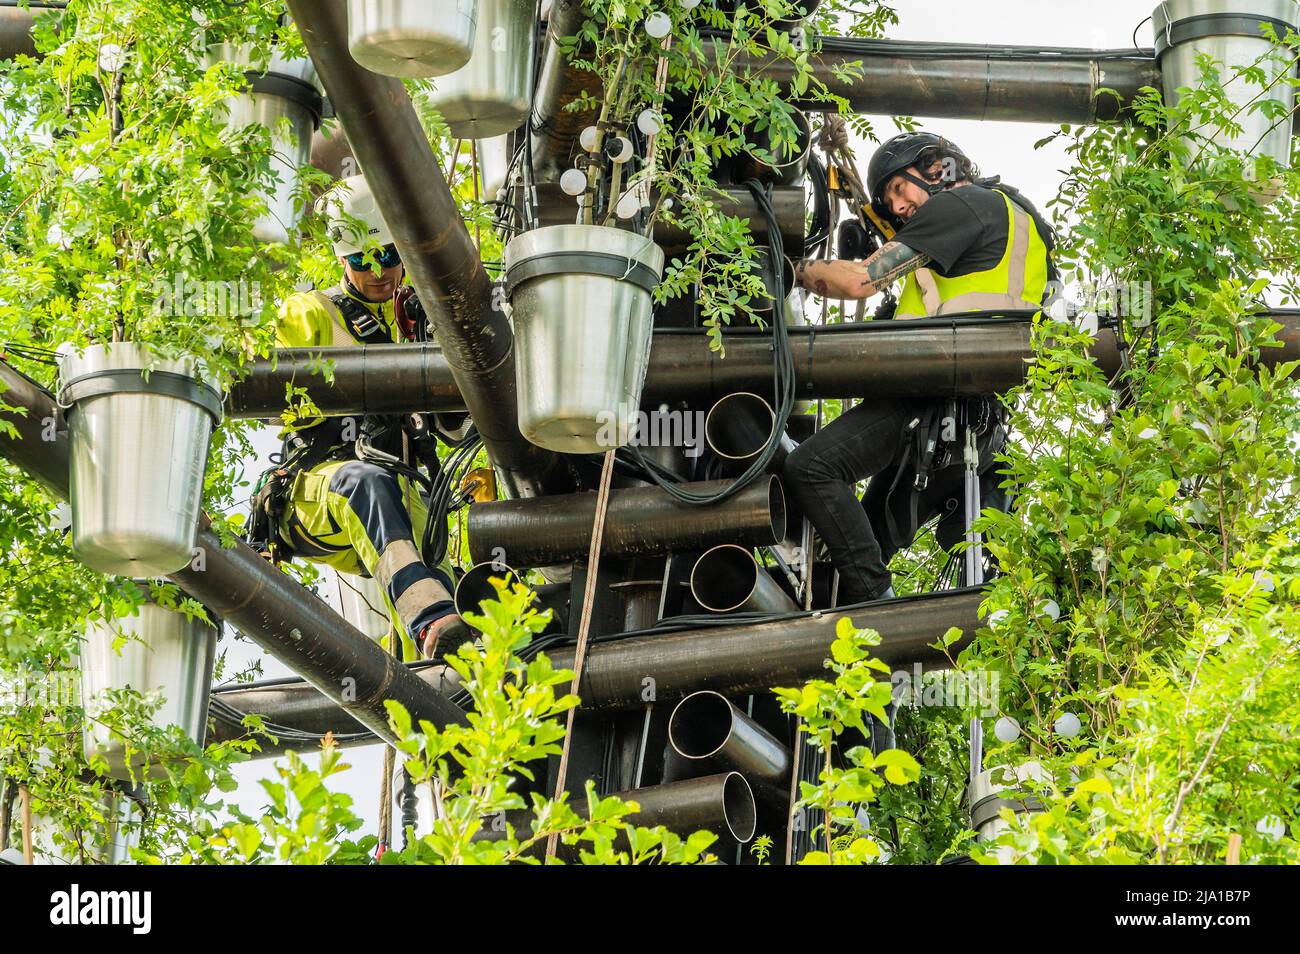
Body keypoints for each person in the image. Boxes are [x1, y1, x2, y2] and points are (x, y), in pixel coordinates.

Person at [785, 131, 1056, 605]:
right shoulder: (1008, 222)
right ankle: (858, 617)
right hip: (970, 426)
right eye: (889, 202)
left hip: (932, 400)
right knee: (856, 550)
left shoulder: (963, 205)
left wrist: (788, 270)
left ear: (936, 168)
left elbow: (859, 281)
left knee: (811, 466)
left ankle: (881, 606)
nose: (898, 208)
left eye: (897, 189)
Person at [249, 174, 468, 661]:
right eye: (364, 261)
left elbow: (456, 431)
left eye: (389, 256)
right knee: (366, 483)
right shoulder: (309, 312)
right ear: (342, 259)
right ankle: (427, 618)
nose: (380, 272)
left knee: (454, 604)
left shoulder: (419, 319)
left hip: (406, 500)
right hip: (320, 487)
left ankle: (447, 674)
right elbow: (267, 403)